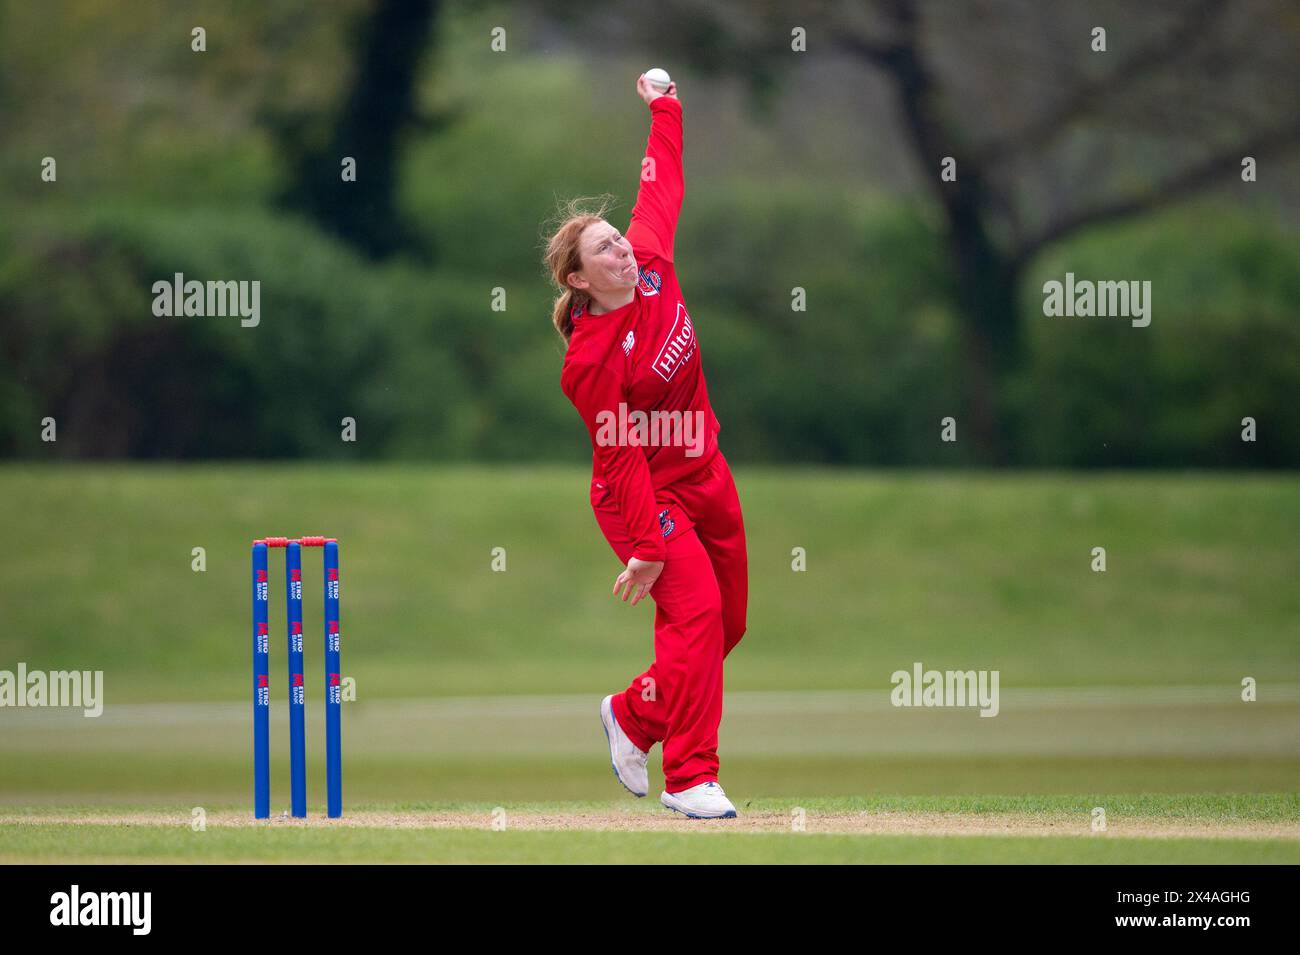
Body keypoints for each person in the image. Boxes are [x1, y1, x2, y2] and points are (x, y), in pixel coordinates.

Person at [542, 74, 749, 819]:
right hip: (644, 496)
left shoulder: (653, 261)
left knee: (726, 627)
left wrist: (666, 105)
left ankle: (633, 715)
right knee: (693, 619)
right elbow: (619, 452)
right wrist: (646, 544)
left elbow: (661, 182)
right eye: (603, 250)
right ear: (578, 278)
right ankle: (690, 776)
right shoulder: (590, 359)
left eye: (618, 239)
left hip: (705, 470)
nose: (622, 250)